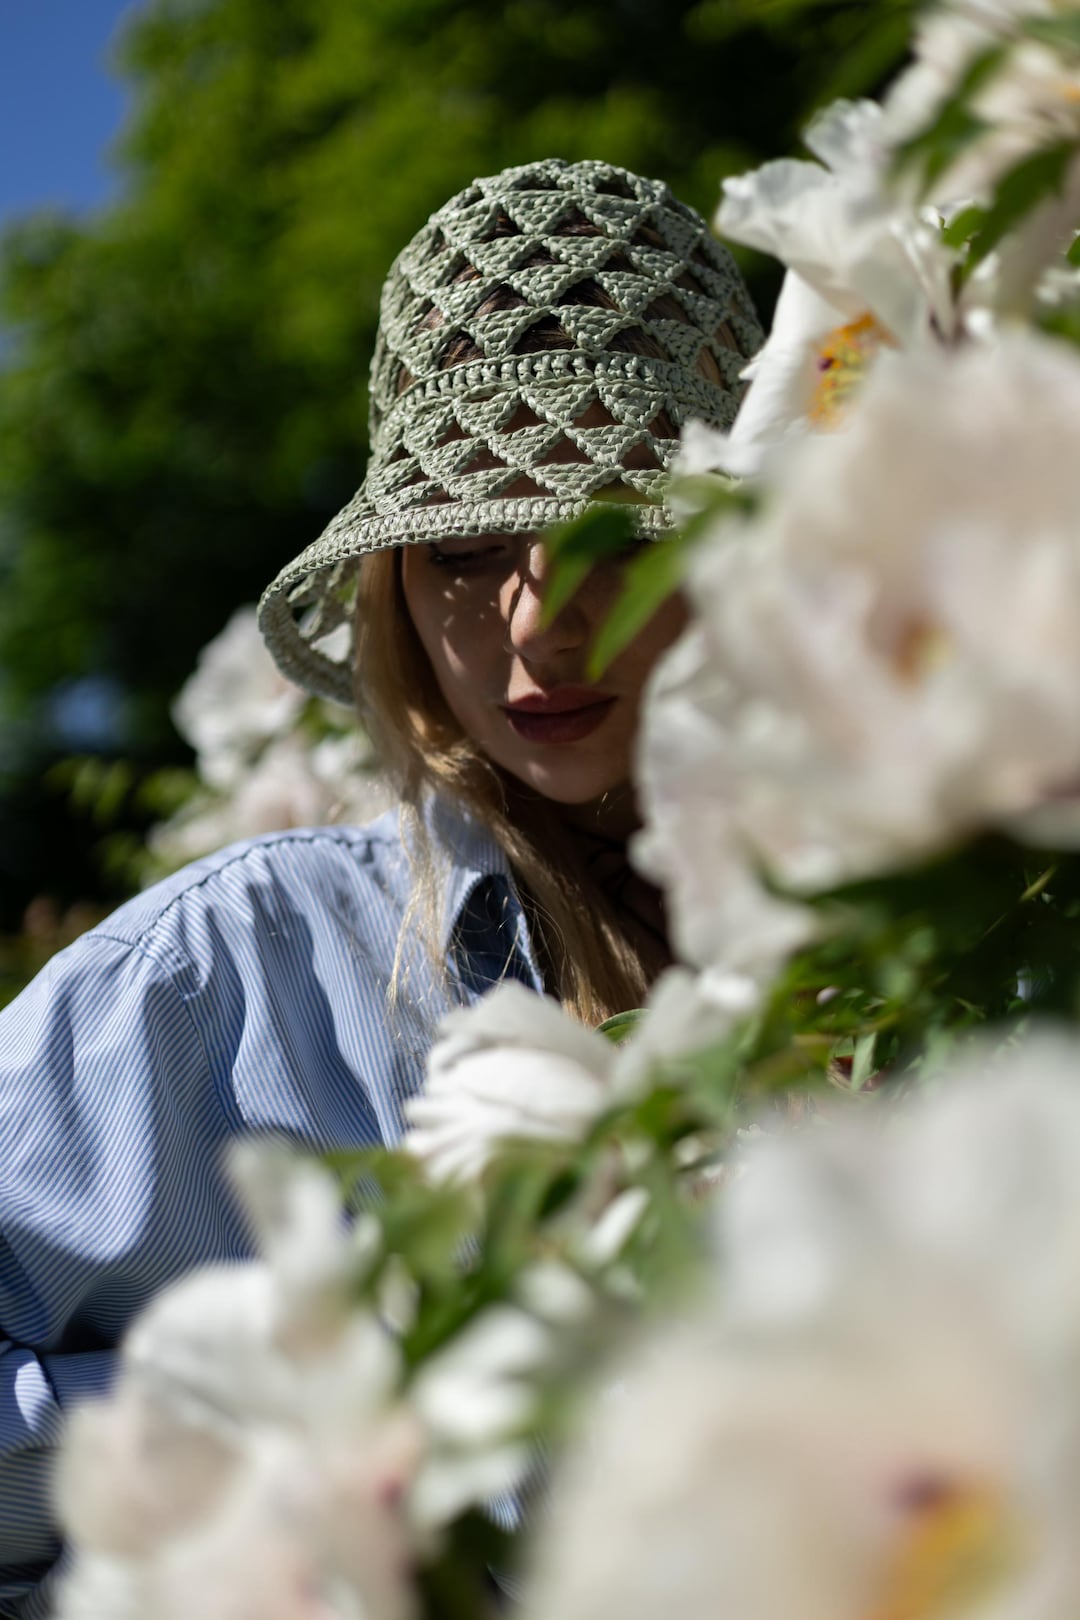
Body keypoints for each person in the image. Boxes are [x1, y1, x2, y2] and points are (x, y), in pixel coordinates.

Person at [0, 157, 761, 1614]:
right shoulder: (242, 964)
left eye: (617, 529)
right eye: (465, 552)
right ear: (395, 589)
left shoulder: (966, 920)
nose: (539, 629)